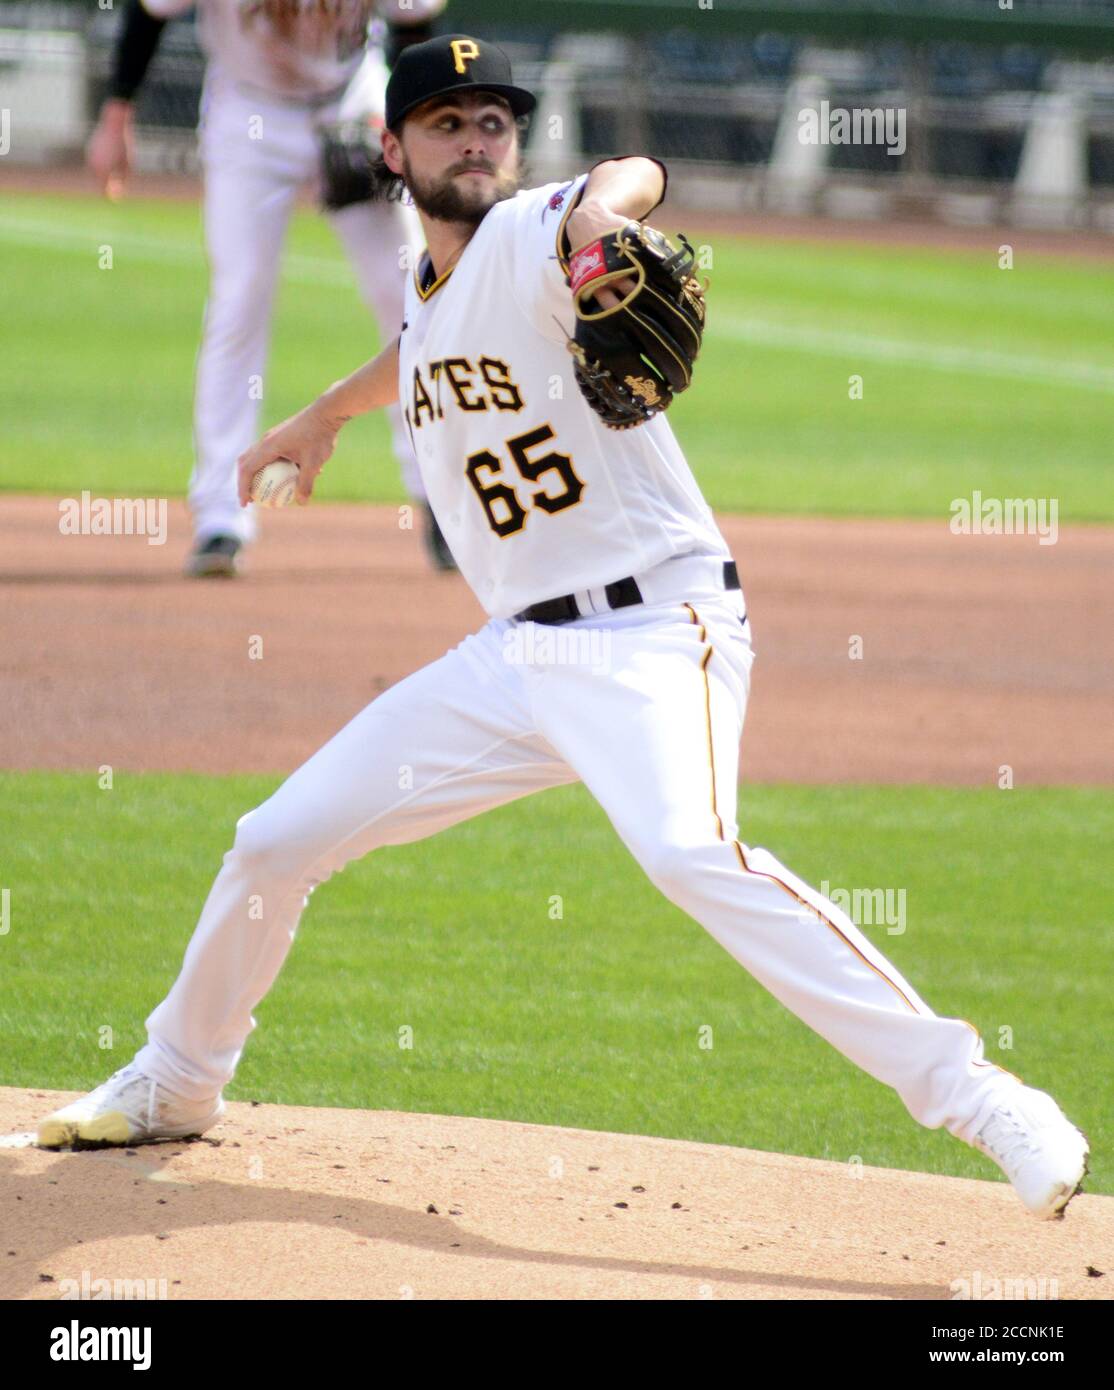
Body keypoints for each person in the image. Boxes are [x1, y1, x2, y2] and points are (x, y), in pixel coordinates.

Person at [40, 35, 1089, 1222]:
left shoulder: (534, 232)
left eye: (494, 120)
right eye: (446, 121)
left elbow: (631, 172)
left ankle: (980, 1095)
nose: (477, 137)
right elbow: (420, 350)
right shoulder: (438, 292)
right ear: (392, 150)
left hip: (654, 629)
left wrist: (596, 223)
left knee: (692, 853)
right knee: (275, 838)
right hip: (513, 661)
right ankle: (179, 1077)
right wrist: (319, 416)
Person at [88, 0, 456, 574]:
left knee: (409, 295)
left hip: (355, 107)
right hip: (249, 113)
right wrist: (117, 116)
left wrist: (409, 123)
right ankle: (220, 517)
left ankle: (441, 502)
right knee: (239, 300)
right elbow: (150, 12)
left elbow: (415, 25)